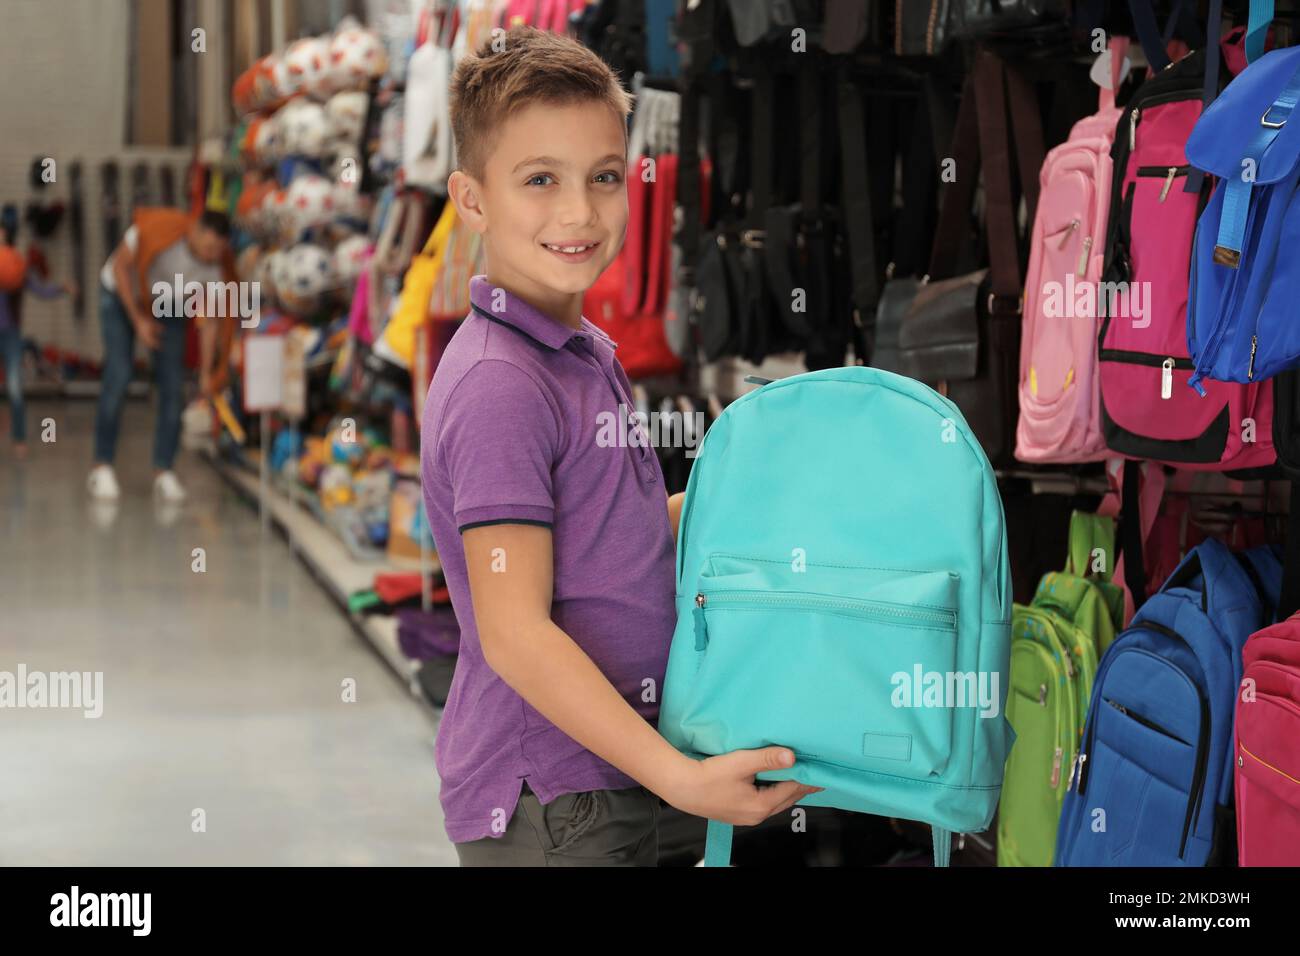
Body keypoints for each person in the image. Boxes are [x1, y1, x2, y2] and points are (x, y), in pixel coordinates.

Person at [420, 26, 821, 867]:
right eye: (540, 180)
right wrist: (677, 778)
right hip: (558, 799)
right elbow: (516, 633)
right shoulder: (502, 384)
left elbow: (608, 544)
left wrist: (744, 503)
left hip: (613, 773)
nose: (579, 212)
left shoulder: (578, 350)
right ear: (472, 199)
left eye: (604, 177)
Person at [87, 208, 235, 501]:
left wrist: (206, 373)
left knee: (173, 388)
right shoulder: (157, 230)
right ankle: (101, 467)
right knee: (119, 375)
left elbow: (209, 322)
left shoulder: (217, 267)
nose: (211, 256)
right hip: (120, 296)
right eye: (208, 247)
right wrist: (138, 321)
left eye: (218, 250)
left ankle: (164, 471)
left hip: (168, 304)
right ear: (195, 231)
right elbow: (120, 268)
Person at [0, 206, 74, 460]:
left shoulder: (17, 266)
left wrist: (62, 289)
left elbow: (41, 290)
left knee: (15, 386)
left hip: (10, 334)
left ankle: (19, 439)